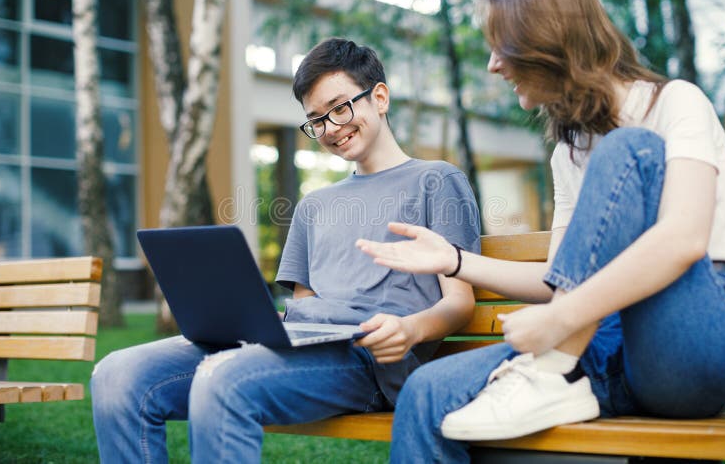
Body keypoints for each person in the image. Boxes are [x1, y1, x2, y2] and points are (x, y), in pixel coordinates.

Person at [356, 0, 725, 463]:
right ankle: (553, 373)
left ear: (546, 39)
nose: (492, 65)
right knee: (427, 391)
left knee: (629, 149)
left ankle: (551, 372)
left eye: (501, 46)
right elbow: (561, 277)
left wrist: (559, 323)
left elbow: (684, 239)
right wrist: (453, 260)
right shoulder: (568, 154)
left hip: (701, 336)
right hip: (607, 336)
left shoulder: (676, 103)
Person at [90, 38, 480, 463]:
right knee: (116, 374)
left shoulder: (436, 181)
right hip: (300, 348)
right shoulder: (314, 205)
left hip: (371, 361)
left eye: (340, 107)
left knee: (224, 379)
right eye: (316, 120)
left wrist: (411, 330)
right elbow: (305, 309)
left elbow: (460, 303)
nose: (331, 128)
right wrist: (256, 323)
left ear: (379, 97)